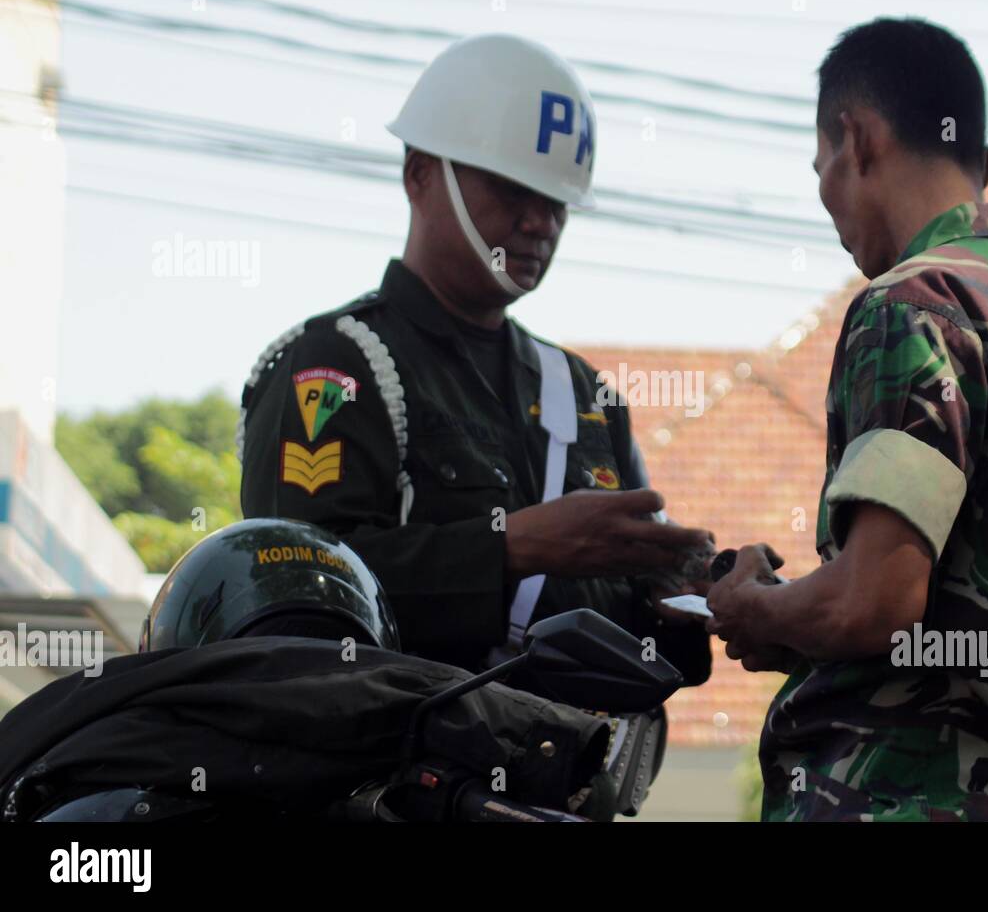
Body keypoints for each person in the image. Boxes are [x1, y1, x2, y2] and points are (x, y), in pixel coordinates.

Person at [706, 18, 988, 821]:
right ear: (979, 168)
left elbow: (873, 600)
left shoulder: (909, 306)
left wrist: (759, 608)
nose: (827, 201)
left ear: (855, 138)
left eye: (821, 167)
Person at [237, 34, 713, 685]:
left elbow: (630, 622)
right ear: (420, 174)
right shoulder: (338, 363)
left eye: (557, 201)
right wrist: (511, 549)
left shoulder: (583, 393)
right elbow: (293, 593)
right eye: (513, 189)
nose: (539, 221)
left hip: (564, 780)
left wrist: (696, 589)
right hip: (388, 779)